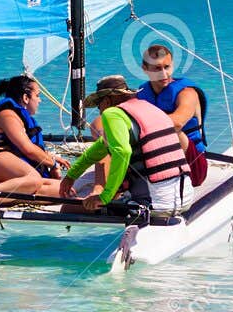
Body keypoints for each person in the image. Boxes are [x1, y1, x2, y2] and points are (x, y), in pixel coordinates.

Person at [59, 74, 190, 214]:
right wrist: (71, 176)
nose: (99, 110)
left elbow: (122, 152)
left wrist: (104, 197)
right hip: (185, 197)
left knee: (68, 208)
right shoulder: (149, 108)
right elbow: (99, 149)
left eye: (99, 104)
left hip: (155, 204)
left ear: (108, 100)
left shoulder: (112, 113)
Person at [0, 75, 64, 198]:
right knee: (34, 180)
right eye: (37, 95)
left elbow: (23, 147)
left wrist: (49, 156)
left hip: (15, 163)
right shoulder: (7, 115)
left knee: (63, 191)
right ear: (25, 97)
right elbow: (27, 149)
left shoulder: (20, 117)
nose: (39, 100)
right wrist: (53, 164)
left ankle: (8, 195)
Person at [136, 42, 208, 187]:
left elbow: (177, 123)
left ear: (172, 65)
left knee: (173, 130)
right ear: (145, 69)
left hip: (192, 164)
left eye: (167, 67)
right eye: (157, 68)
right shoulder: (141, 93)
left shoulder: (187, 93)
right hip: (157, 159)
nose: (164, 74)